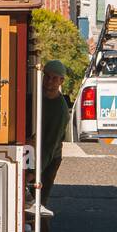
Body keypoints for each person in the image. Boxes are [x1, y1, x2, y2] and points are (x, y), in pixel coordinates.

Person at [37, 60, 70, 209]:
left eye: (55, 78)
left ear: (61, 81)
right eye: (47, 77)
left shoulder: (60, 110)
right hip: (34, 152)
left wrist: (35, 173)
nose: (50, 82)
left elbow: (50, 145)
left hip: (50, 159)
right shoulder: (36, 97)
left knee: (40, 203)